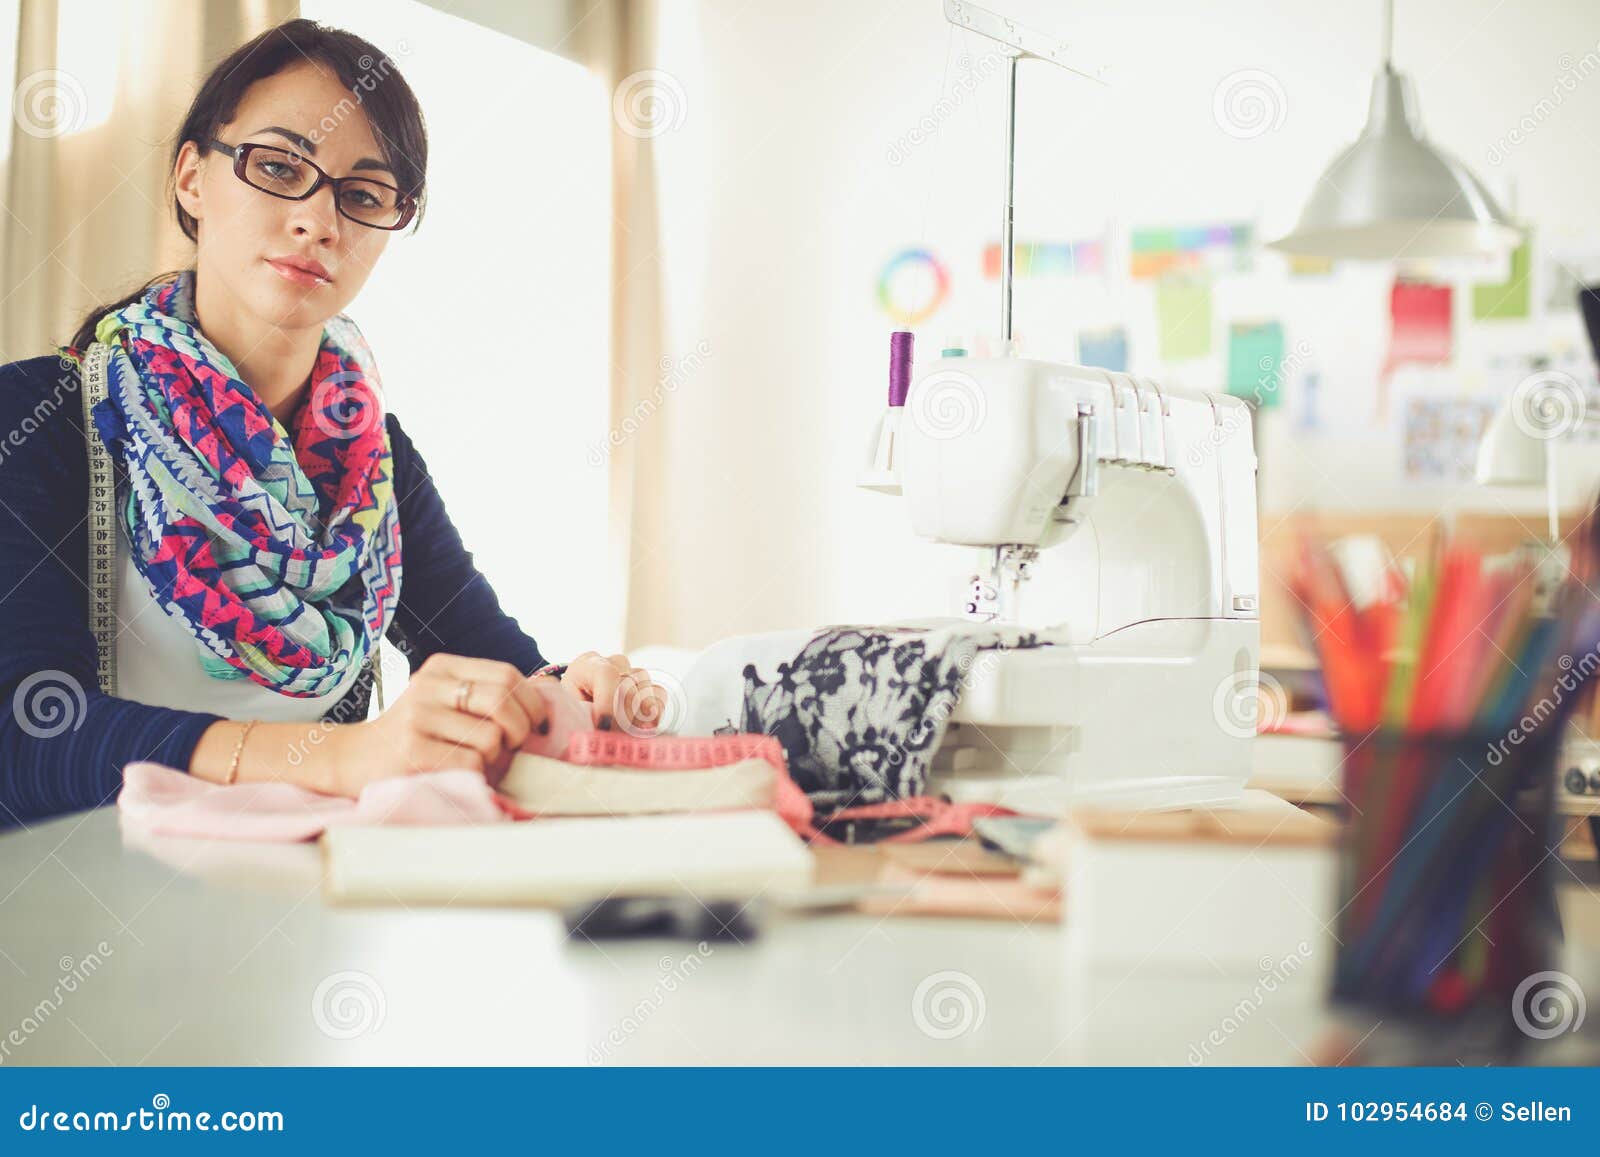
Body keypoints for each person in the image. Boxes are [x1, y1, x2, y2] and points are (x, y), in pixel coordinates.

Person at [0, 19, 655, 829]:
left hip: (313, 913)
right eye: (278, 167)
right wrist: (343, 758)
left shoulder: (374, 461)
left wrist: (569, 692)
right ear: (192, 179)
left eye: (365, 193)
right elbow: (24, 739)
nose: (320, 221)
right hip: (88, 917)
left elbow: (490, 663)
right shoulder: (42, 416)